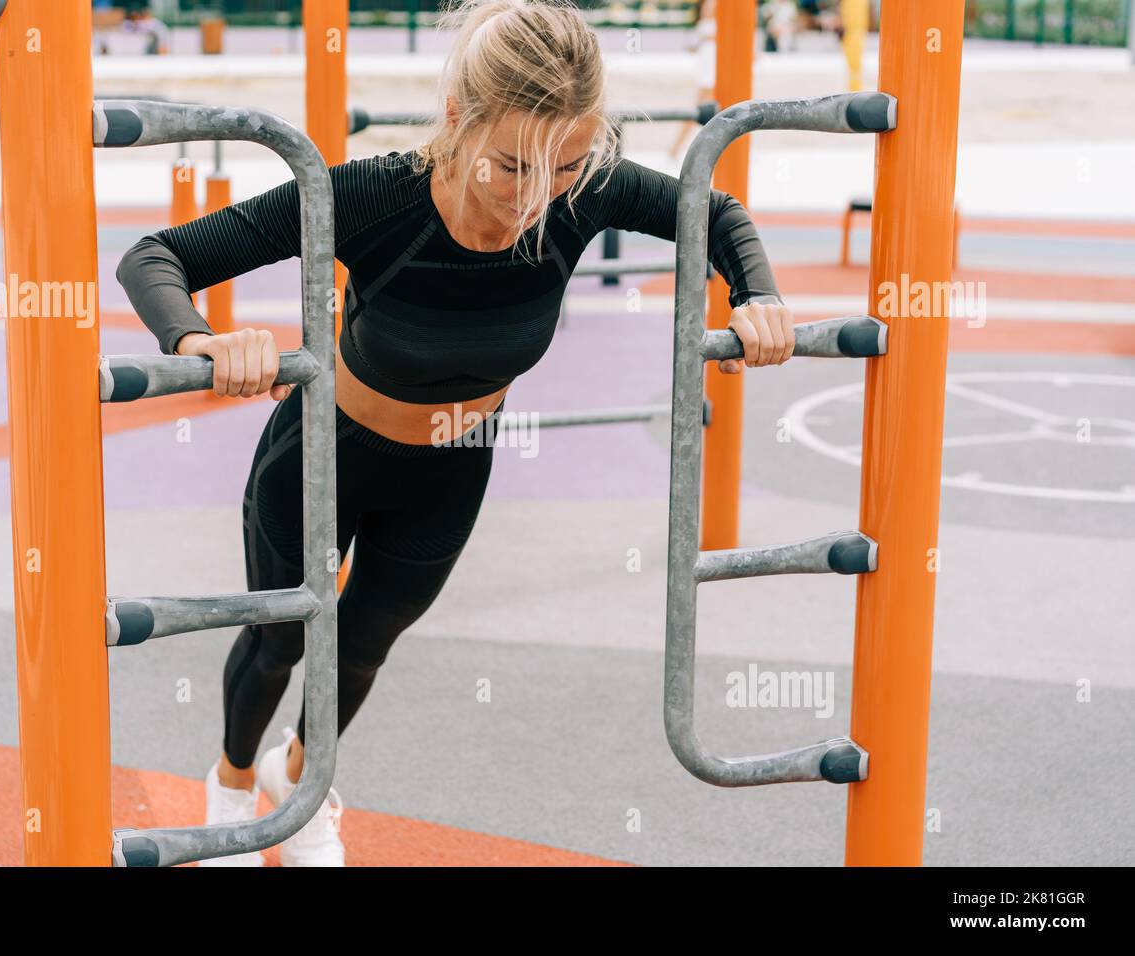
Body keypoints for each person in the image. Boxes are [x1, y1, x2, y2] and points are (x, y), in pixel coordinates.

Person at [115, 0, 795, 868]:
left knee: (362, 650)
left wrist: (760, 298)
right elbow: (154, 256)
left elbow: (720, 211)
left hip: (451, 472)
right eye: (514, 165)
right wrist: (199, 339)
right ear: (457, 121)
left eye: (568, 165)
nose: (540, 194)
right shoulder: (372, 196)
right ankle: (230, 787)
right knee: (282, 636)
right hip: (324, 456)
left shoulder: (579, 190)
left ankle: (304, 780)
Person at [668, 0, 717, 162]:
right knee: (702, 106)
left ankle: (675, 148)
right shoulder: (714, 4)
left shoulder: (708, 5)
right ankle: (675, 148)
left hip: (711, 58)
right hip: (712, 60)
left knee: (708, 105)